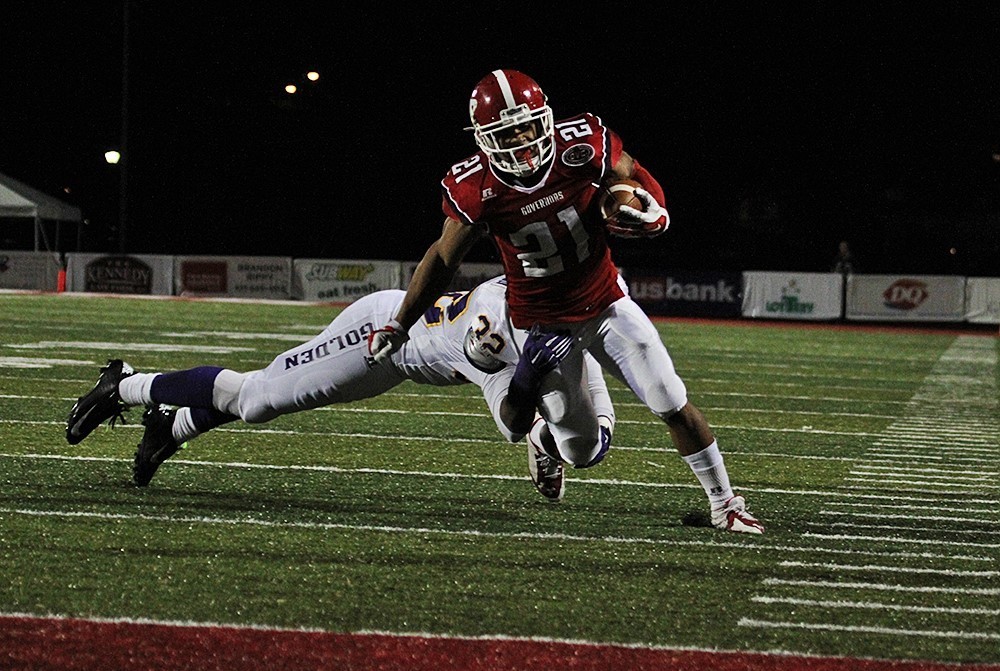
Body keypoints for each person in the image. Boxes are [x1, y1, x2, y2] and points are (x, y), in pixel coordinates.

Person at [367, 69, 763, 534]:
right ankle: (544, 439)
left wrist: (655, 210)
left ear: (545, 118)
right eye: (505, 132)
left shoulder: (584, 143)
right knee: (582, 452)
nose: (519, 140)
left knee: (669, 396)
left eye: (526, 125)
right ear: (483, 139)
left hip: (603, 301)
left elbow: (631, 176)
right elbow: (442, 258)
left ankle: (725, 504)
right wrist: (399, 322)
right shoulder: (474, 188)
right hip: (541, 324)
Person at [65, 276, 613, 501]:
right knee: (255, 398)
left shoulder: (566, 313)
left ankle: (172, 425)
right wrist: (538, 422)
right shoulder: (493, 327)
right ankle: (128, 385)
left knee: (269, 398)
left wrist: (572, 436)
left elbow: (584, 401)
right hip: (378, 336)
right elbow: (514, 418)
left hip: (399, 363)